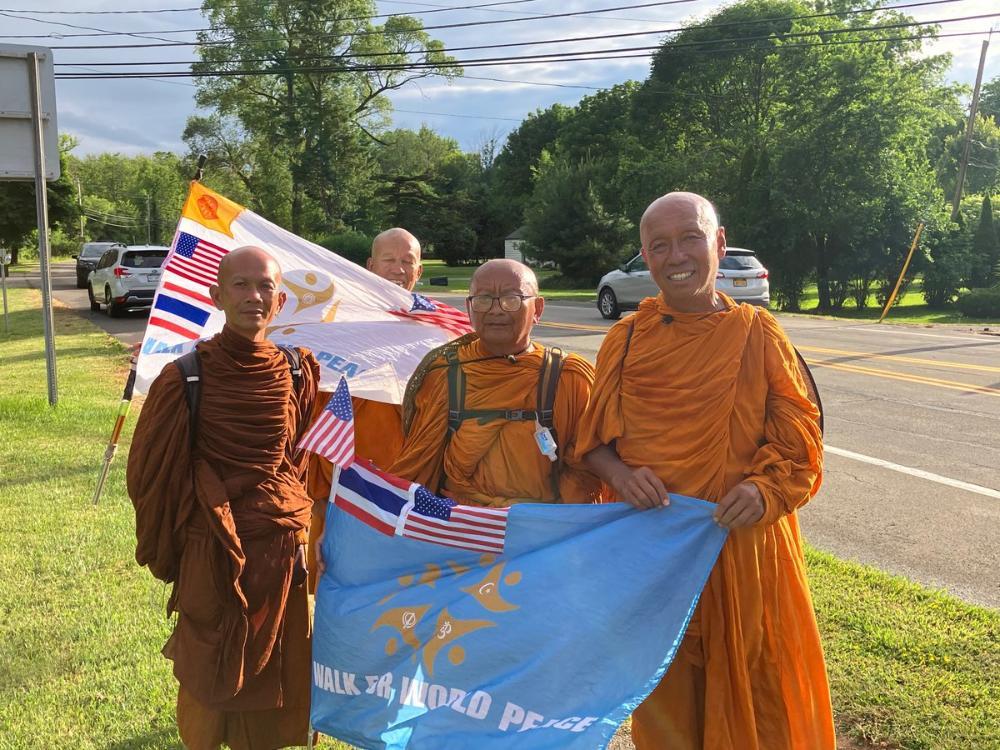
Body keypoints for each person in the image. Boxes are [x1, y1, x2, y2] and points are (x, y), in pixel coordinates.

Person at [578, 192, 834, 750]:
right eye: (659, 245)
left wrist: (764, 489)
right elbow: (592, 445)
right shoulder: (624, 340)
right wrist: (620, 476)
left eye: (690, 238)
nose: (677, 257)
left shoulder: (758, 334)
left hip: (740, 546)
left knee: (752, 688)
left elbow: (801, 444)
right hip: (654, 554)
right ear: (644, 257)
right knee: (666, 701)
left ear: (719, 243)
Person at [127, 246, 320, 750]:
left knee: (276, 672)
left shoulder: (298, 371)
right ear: (216, 295)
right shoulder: (185, 375)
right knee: (208, 666)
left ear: (279, 301)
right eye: (241, 285)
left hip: (277, 550)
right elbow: (151, 475)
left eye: (266, 287)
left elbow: (294, 460)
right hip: (211, 549)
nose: (254, 296)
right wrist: (172, 543)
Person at [387, 258, 602, 507]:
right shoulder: (443, 374)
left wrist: (550, 525)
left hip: (540, 531)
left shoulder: (568, 377)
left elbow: (584, 472)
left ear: (538, 309)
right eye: (483, 299)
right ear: (469, 308)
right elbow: (420, 469)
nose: (496, 310)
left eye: (512, 299)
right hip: (462, 528)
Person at [305, 228, 423, 589]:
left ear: (419, 271)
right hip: (344, 483)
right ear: (370, 266)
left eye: (408, 262)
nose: (398, 269)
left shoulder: (433, 330)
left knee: (406, 596)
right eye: (389, 260)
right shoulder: (338, 326)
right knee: (342, 591)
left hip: (412, 485)